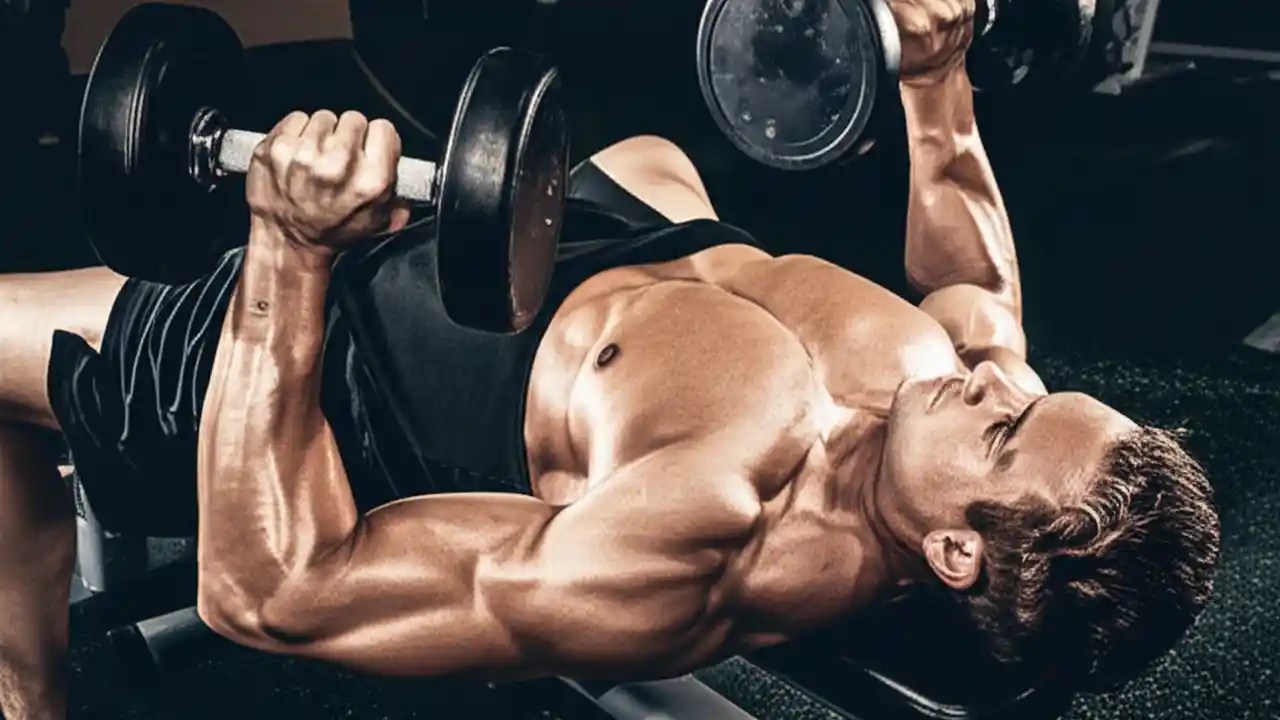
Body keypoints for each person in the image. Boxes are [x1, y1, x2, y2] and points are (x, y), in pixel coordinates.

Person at [0, 1, 1219, 717]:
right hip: (584, 234)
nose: (995, 375)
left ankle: (29, 699)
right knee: (629, 126)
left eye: (1005, 429)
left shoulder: (689, 549)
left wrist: (288, 248)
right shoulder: (946, 398)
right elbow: (980, 293)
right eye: (1035, 393)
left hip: (350, 356)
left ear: (953, 550)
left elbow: (274, 595)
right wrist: (936, 81)